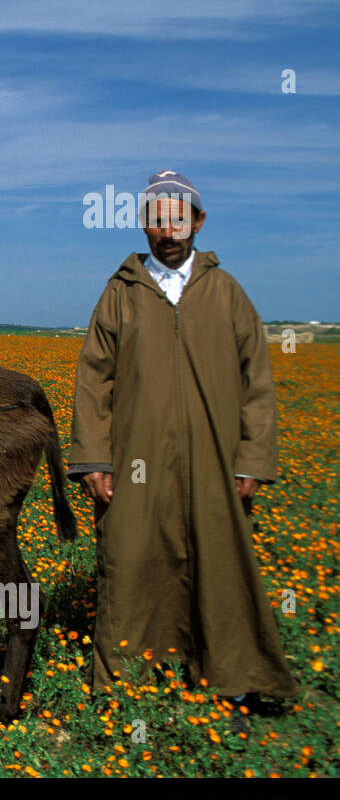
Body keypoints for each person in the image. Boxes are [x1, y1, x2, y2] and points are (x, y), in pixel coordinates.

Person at [66, 170, 298, 720]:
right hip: (136, 460)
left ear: (197, 222)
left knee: (222, 563)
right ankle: (128, 680)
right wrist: (94, 458)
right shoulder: (121, 292)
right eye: (156, 219)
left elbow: (257, 383)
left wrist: (253, 460)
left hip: (217, 462)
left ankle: (233, 678)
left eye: (178, 218)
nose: (167, 231)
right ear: (144, 225)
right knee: (130, 560)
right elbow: (92, 380)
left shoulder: (226, 292)